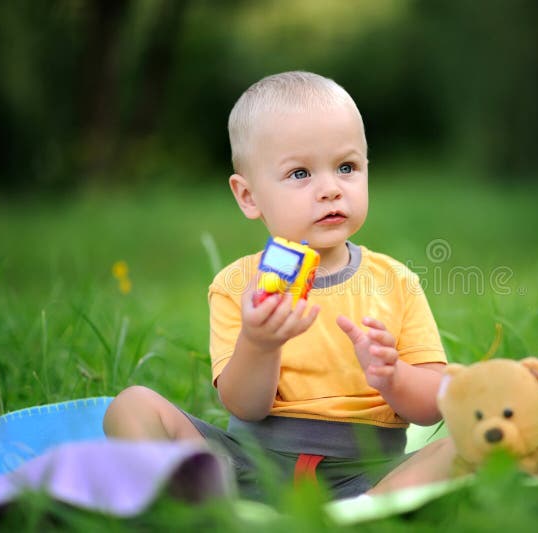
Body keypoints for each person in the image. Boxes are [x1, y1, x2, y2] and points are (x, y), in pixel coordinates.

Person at [103, 71, 452, 501]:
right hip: (250, 464)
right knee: (131, 405)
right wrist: (259, 341)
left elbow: (437, 401)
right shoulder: (237, 285)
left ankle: (368, 508)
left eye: (347, 167)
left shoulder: (396, 282)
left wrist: (394, 376)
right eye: (300, 173)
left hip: (370, 470)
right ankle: (191, 495)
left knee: (474, 437)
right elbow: (245, 406)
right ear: (248, 196)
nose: (330, 189)